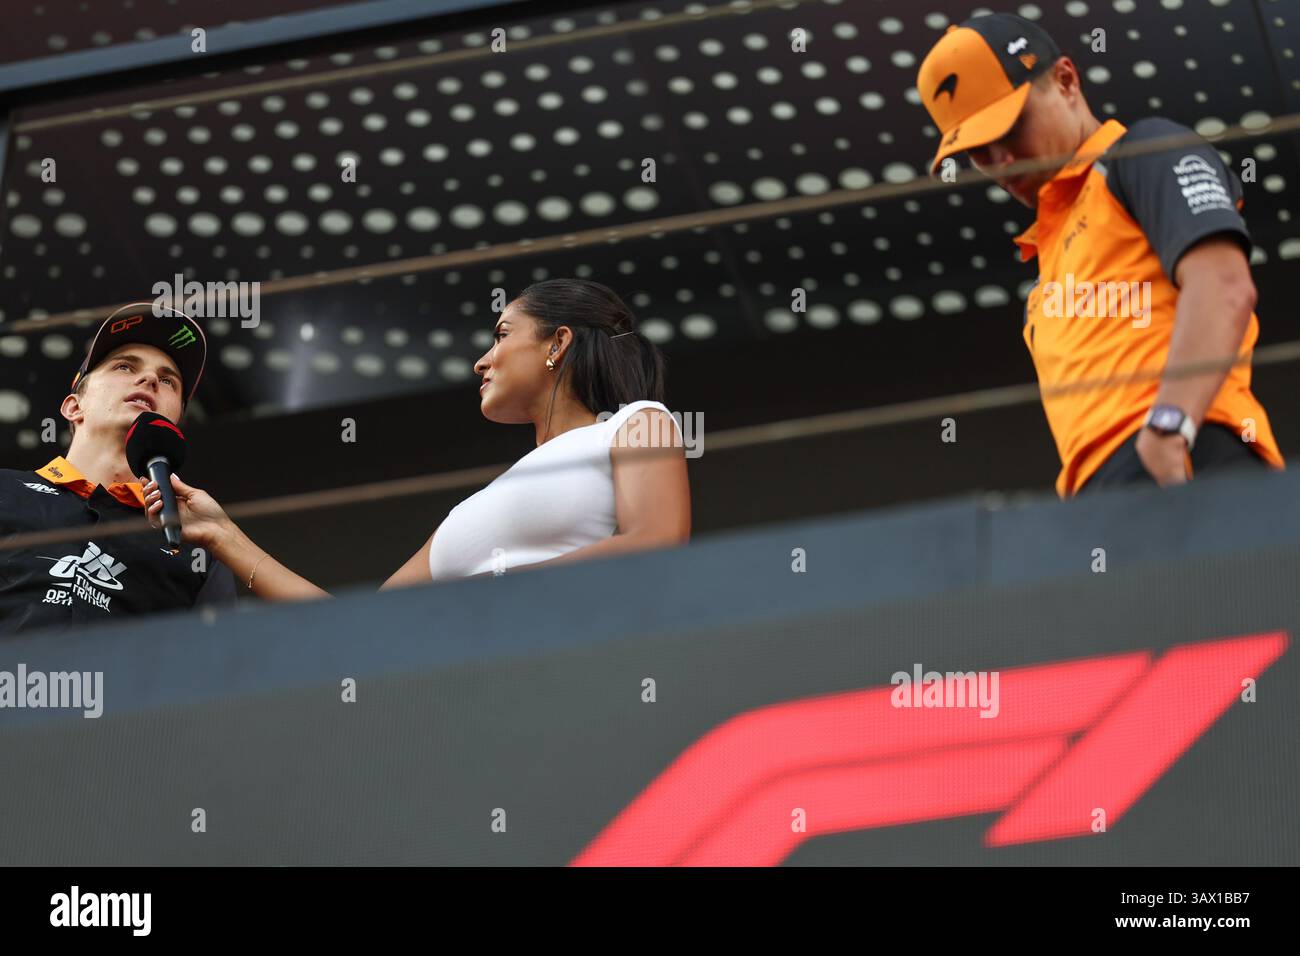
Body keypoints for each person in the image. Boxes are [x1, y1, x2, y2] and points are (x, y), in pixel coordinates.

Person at [917, 13, 1283, 495]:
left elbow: (1225, 286)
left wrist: (1170, 426)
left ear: (1066, 80)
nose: (1002, 160)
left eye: (1011, 126)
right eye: (980, 150)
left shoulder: (1144, 154)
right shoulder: (1049, 256)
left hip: (1190, 453)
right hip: (1101, 495)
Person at [142, 279, 692, 599]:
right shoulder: (467, 514)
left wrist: (473, 603)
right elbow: (364, 629)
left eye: (502, 335)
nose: (481, 361)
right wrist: (223, 535)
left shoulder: (635, 422)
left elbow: (657, 540)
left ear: (559, 343)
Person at [0, 303, 236, 635]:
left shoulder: (197, 546)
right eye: (124, 366)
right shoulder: (5, 491)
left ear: (176, 421)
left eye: (169, 381)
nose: (151, 378)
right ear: (74, 406)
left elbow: (219, 668)